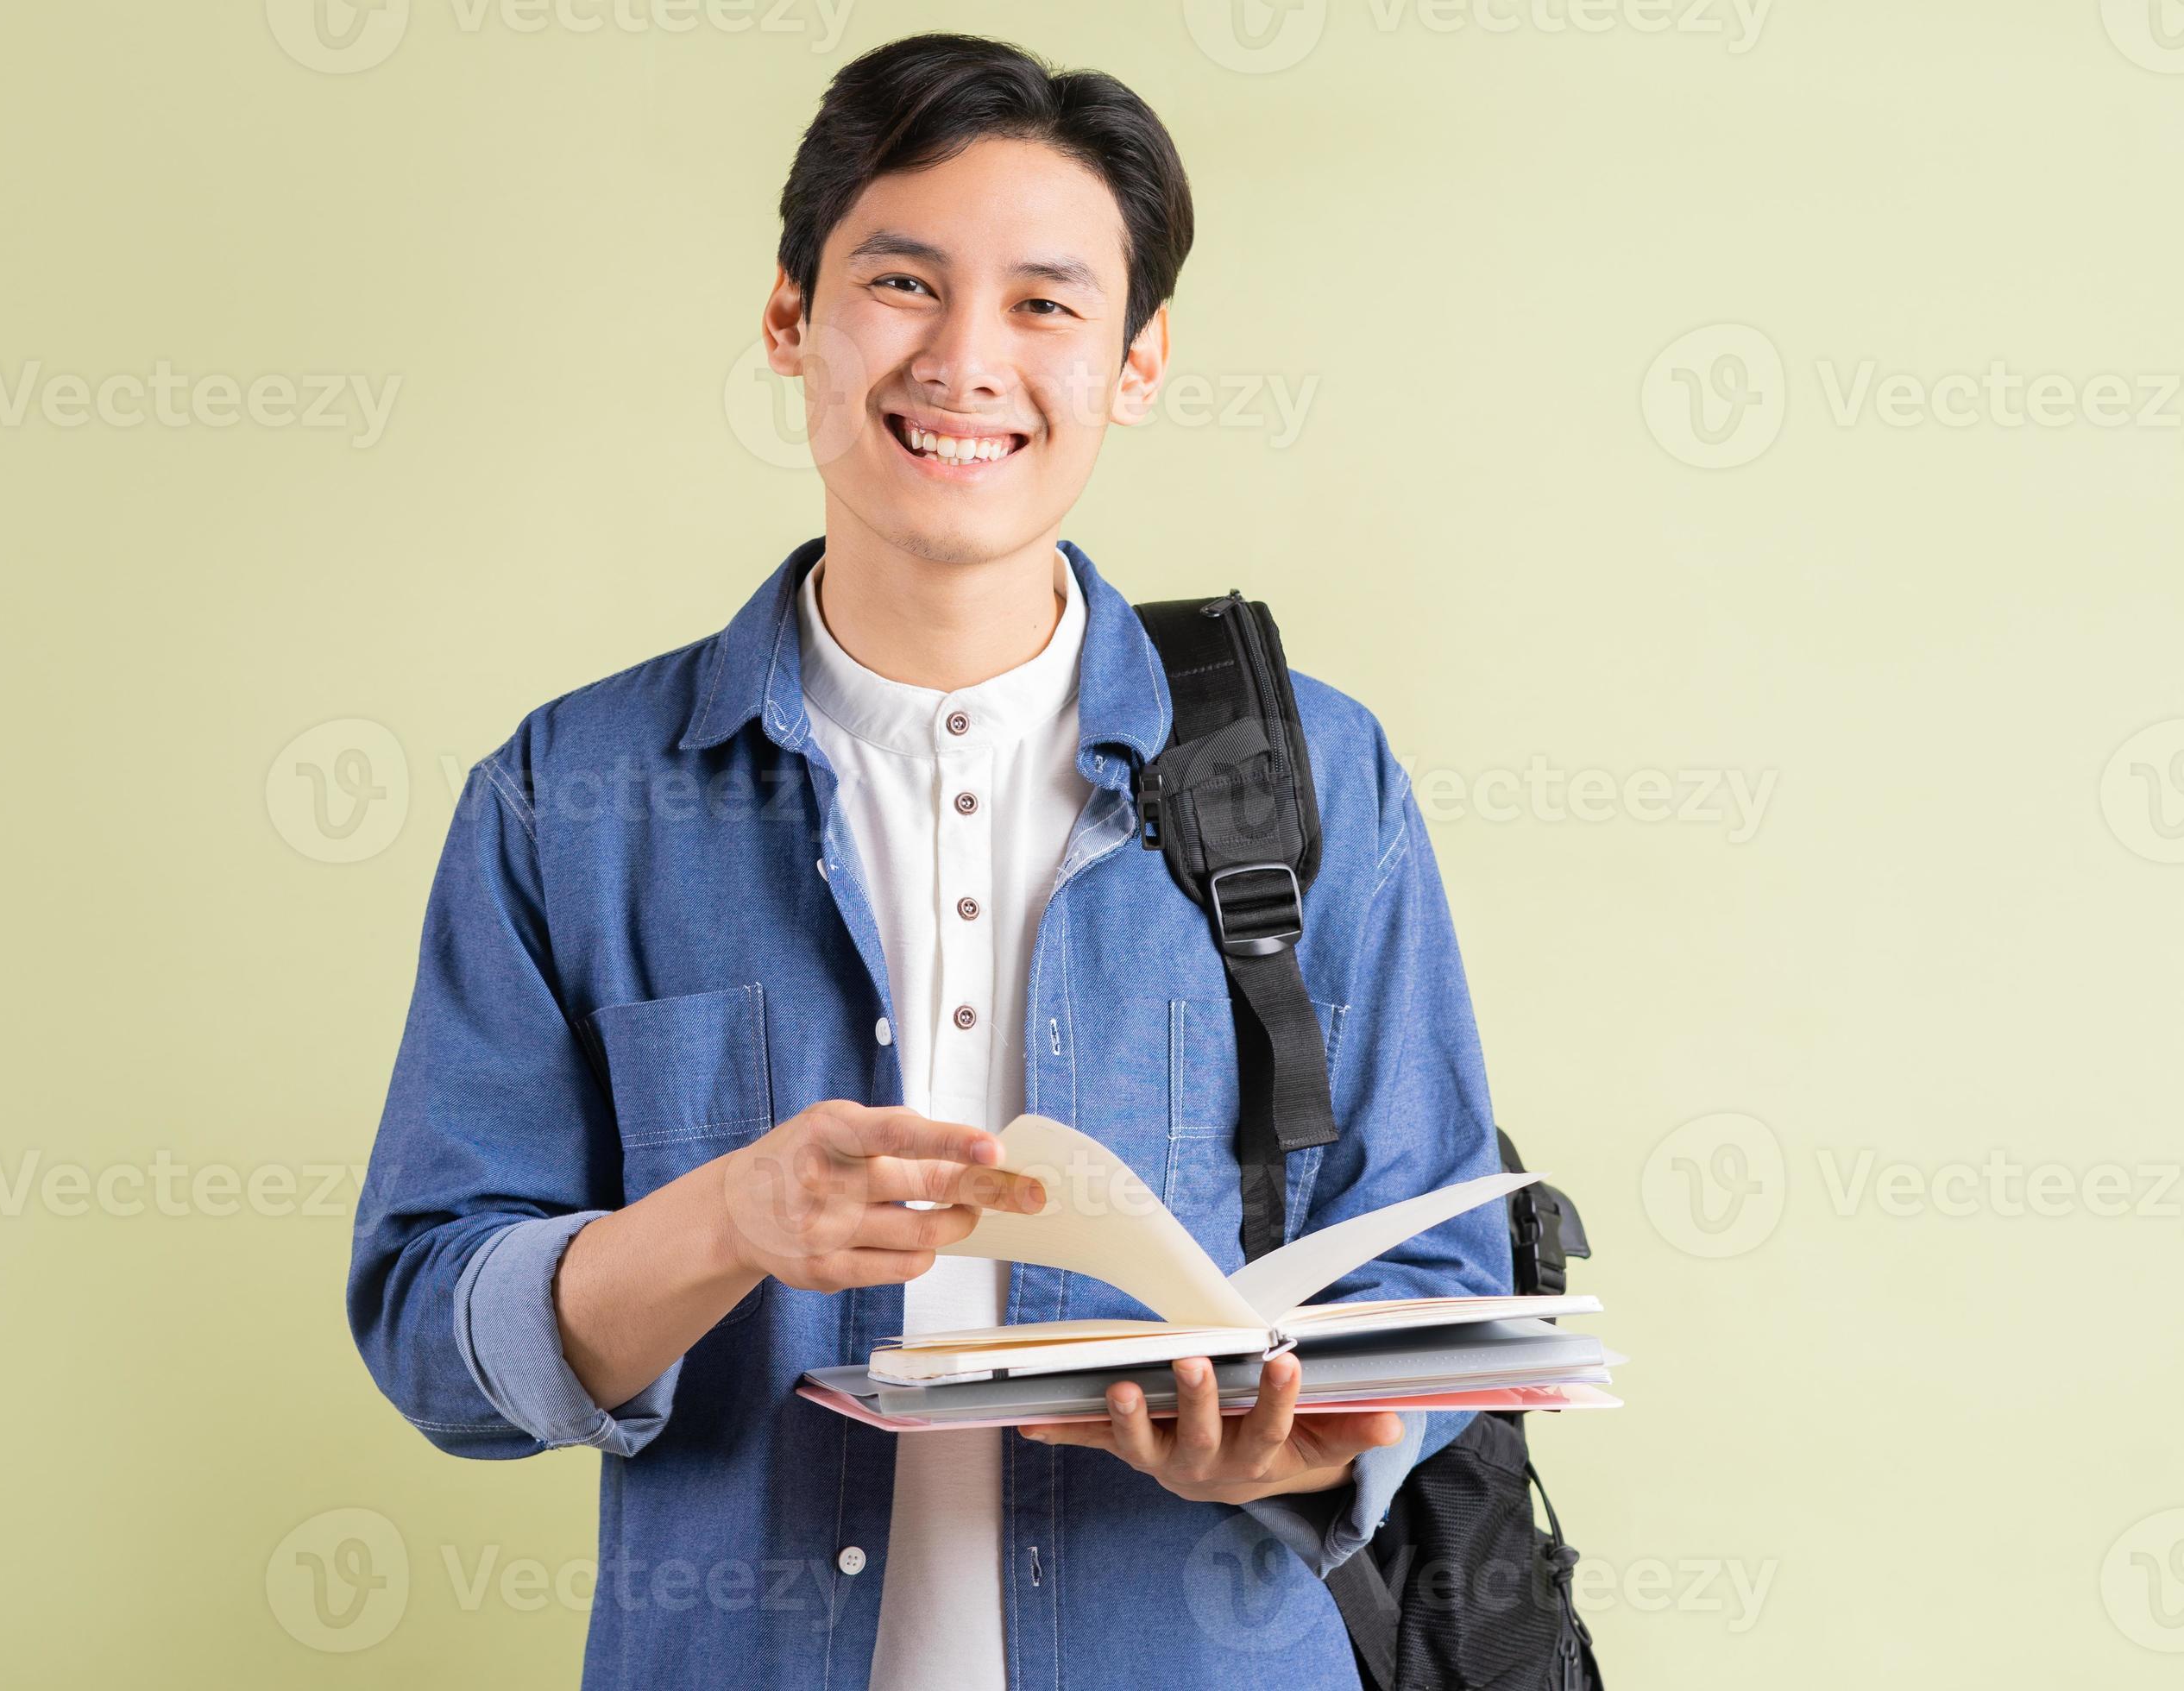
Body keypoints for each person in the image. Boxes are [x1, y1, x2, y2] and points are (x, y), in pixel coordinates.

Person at [348, 33, 1510, 1690]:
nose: (966, 361)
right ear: (789, 318)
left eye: (1046, 304)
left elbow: (1437, 1267)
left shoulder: (1314, 774)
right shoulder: (569, 796)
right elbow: (432, 1326)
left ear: (1137, 358)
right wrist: (728, 1219)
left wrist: (1295, 1449)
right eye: (902, 281)